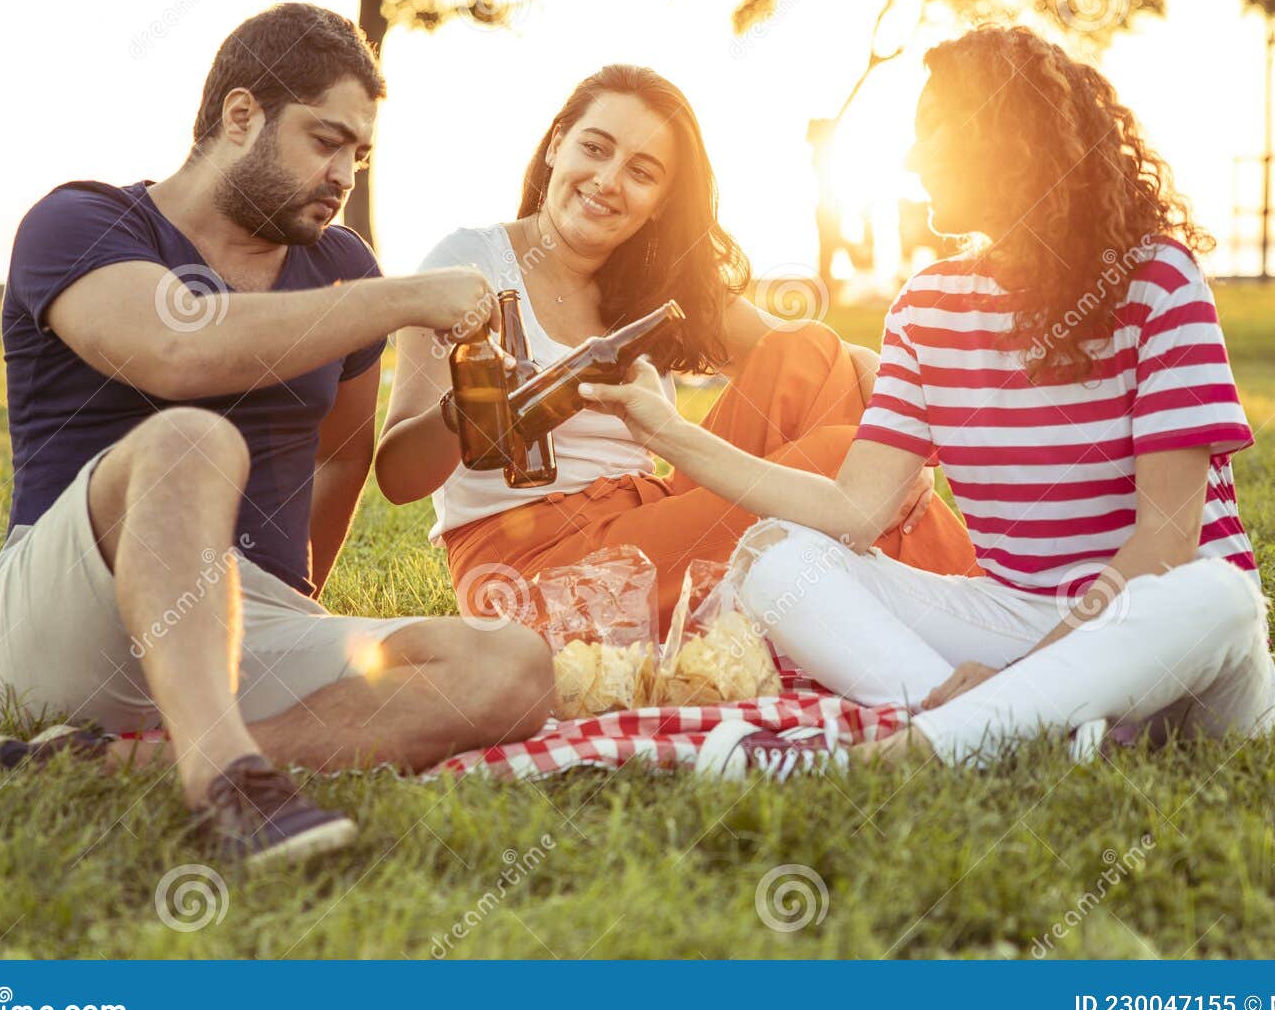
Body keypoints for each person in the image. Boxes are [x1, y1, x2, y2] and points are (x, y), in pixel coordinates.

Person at [581, 27, 1275, 776]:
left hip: (1168, 641)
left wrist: (1032, 671)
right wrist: (670, 432)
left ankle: (930, 742)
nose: (911, 161)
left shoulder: (1158, 280)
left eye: (931, 135)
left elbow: (1166, 543)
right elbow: (855, 512)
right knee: (775, 557)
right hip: (1018, 616)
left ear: (1007, 141)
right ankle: (1004, 732)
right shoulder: (928, 306)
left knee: (1218, 594)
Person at [0, 4, 555, 864]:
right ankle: (228, 787)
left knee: (513, 667)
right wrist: (410, 297)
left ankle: (118, 764)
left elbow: (344, 452)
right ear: (242, 117)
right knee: (191, 442)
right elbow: (175, 349)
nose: (344, 171)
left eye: (359, 154)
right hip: (67, 612)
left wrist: (286, 593)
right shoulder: (83, 223)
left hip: (242, 619)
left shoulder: (339, 266)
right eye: (325, 140)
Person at [374, 65, 978, 630]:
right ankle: (975, 611)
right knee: (840, 461)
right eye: (595, 147)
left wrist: (876, 383)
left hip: (645, 517)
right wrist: (476, 404)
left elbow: (807, 361)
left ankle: (881, 591)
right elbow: (398, 476)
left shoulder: (651, 281)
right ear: (557, 144)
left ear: (663, 199)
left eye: (642, 171)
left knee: (812, 355)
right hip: (537, 565)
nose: (608, 181)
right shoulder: (469, 261)